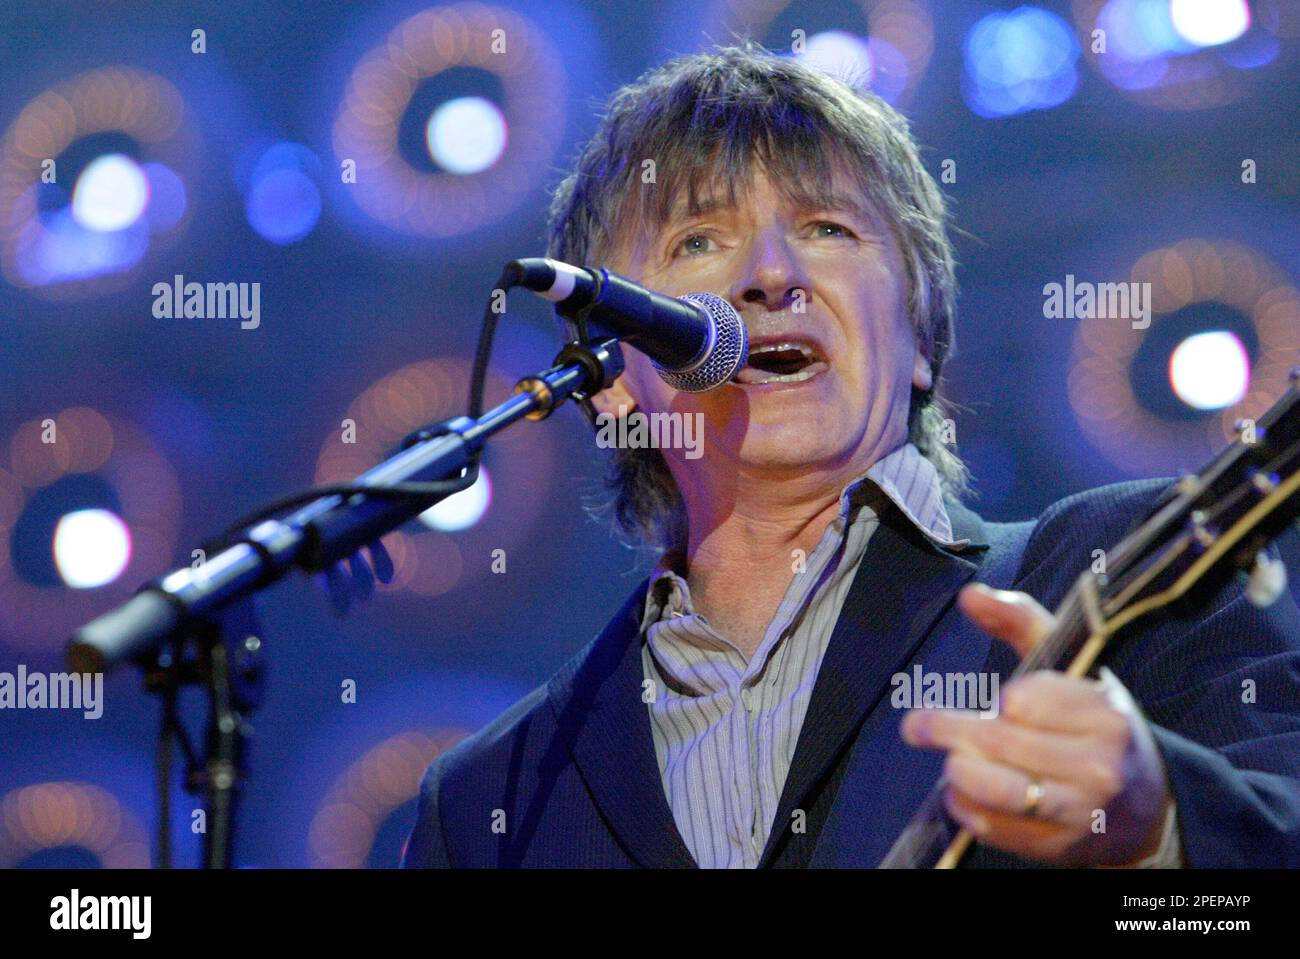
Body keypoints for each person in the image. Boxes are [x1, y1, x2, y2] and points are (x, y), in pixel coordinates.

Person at [402, 43, 1300, 868]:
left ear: (919, 339)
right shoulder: (494, 793)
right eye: (697, 241)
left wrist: (1160, 832)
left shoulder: (1116, 566)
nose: (769, 272)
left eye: (829, 228)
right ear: (614, 382)